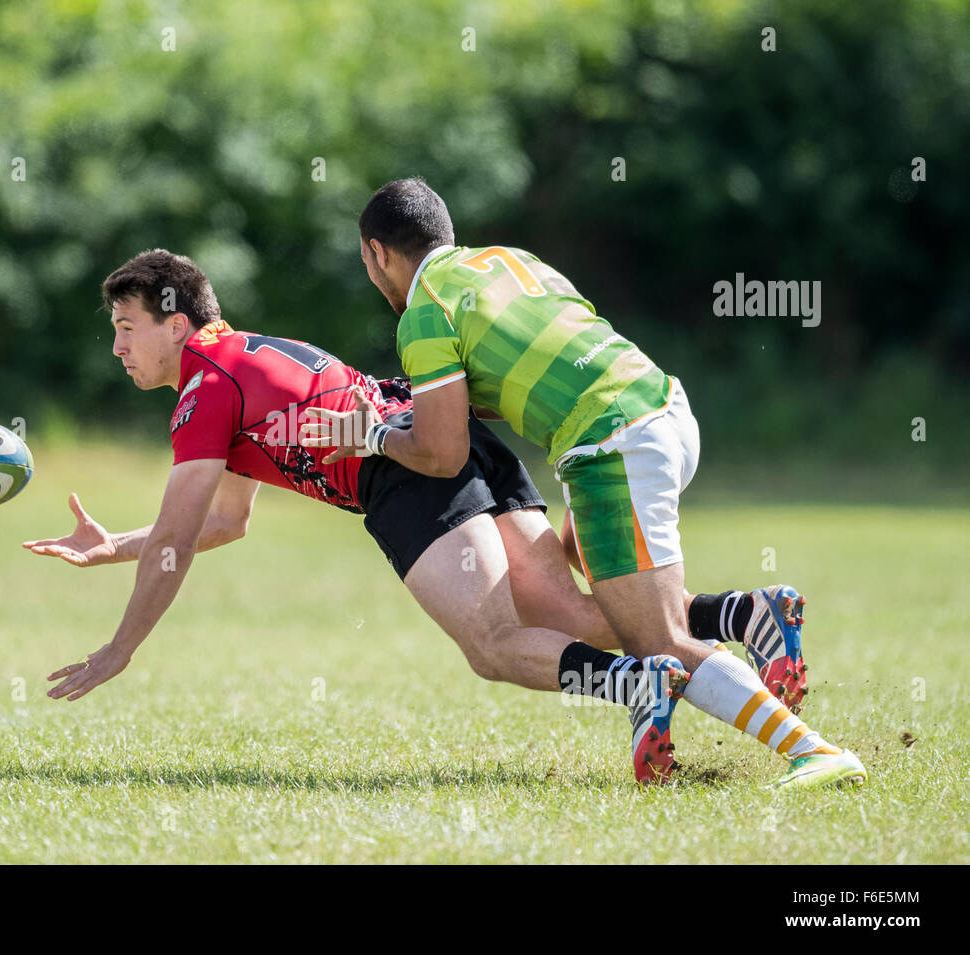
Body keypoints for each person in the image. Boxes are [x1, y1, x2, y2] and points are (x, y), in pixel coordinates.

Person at [301, 178, 864, 788]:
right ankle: (748, 614)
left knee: (655, 640)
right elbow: (551, 350)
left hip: (611, 446)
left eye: (367, 263)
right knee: (580, 571)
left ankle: (811, 749)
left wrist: (371, 434)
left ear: (375, 253)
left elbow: (441, 453)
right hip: (664, 408)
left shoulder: (424, 311)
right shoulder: (508, 261)